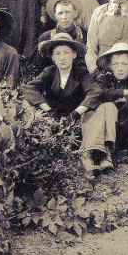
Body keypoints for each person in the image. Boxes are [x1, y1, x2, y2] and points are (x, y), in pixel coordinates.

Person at [22, 34, 101, 177]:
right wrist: (46, 108)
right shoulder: (49, 72)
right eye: (57, 54)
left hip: (76, 120)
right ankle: (42, 155)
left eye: (66, 52)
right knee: (27, 105)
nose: (62, 57)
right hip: (53, 119)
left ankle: (87, 156)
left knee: (92, 114)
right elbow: (29, 88)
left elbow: (95, 92)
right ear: (52, 57)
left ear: (74, 55)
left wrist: (77, 112)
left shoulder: (81, 73)